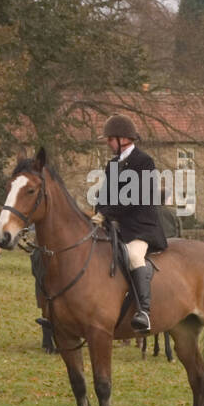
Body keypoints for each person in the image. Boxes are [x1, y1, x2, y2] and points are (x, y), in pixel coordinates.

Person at [90, 114, 168, 332]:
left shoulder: (144, 162)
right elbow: (105, 194)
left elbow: (134, 198)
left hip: (141, 228)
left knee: (134, 256)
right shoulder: (113, 164)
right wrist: (98, 212)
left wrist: (107, 213)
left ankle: (144, 311)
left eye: (109, 139)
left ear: (122, 139)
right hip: (117, 227)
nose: (107, 143)